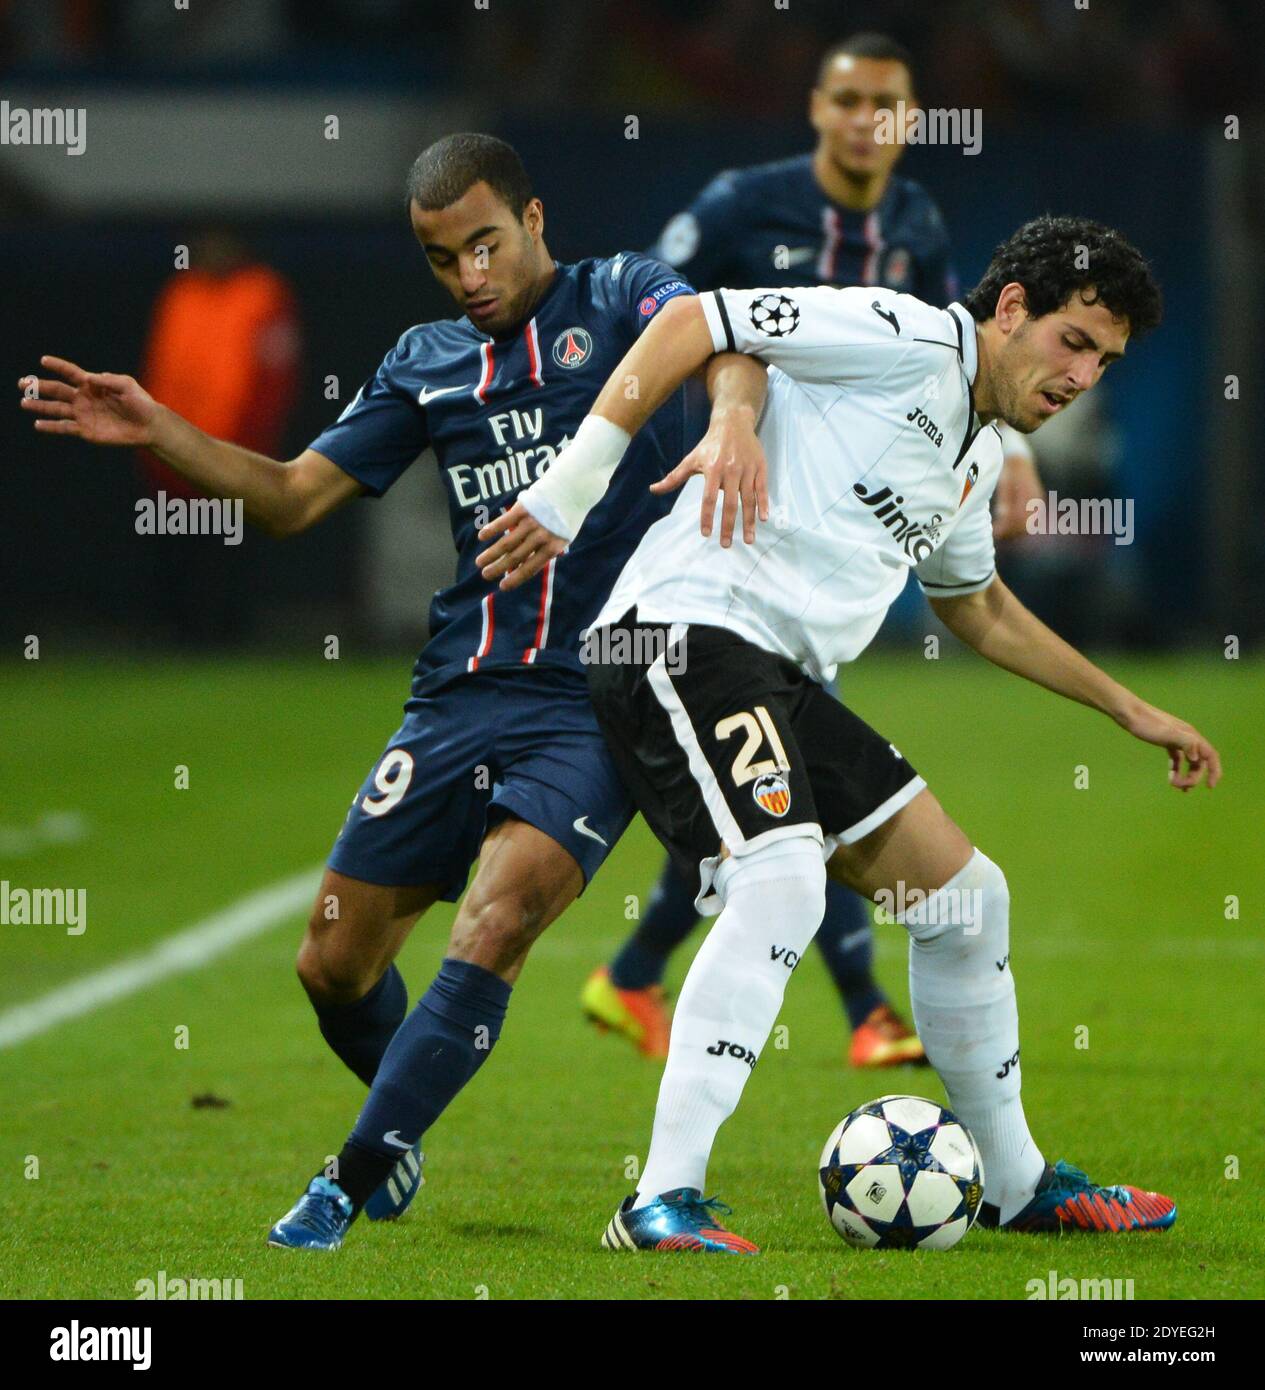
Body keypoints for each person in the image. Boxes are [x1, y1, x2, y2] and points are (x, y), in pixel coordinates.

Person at [17, 132, 770, 1252]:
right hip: (455, 694)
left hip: (600, 693)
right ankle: (402, 1119)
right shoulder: (424, 362)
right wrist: (160, 427)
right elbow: (287, 497)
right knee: (330, 958)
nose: (469, 275)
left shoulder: (620, 295)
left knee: (495, 919)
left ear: (533, 220)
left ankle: (345, 1180)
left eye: (484, 243)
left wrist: (727, 420)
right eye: (440, 257)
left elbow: (724, 336)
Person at [478, 215, 1220, 1252]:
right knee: (777, 877)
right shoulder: (902, 334)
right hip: (683, 632)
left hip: (775, 675)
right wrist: (567, 488)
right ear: (1009, 308)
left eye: (1102, 360)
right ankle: (657, 1198)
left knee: (965, 901)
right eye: (1072, 342)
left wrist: (1128, 709)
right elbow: (699, 318)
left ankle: (1009, 1183)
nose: (1082, 375)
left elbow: (976, 606)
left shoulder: (975, 449)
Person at [583, 31, 1044, 1069]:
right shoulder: (743, 202)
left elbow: (962, 349)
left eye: (884, 102)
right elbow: (669, 315)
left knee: (774, 790)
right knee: (769, 804)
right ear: (815, 110)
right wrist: (705, 421)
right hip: (711, 496)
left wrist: (1003, 443)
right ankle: (855, 1010)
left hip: (813, 533)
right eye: (846, 100)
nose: (864, 120)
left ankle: (636, 971)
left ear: (911, 118)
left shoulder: (915, 223)